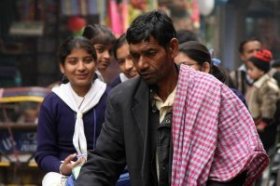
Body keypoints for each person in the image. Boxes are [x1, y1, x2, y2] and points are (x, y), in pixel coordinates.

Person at [76, 11, 268, 186]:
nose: (141, 64)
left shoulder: (211, 93)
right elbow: (104, 162)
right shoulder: (123, 98)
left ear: (172, 48)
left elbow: (237, 161)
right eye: (135, 56)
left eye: (150, 53)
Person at [35, 36, 109, 185]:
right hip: (63, 174)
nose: (81, 67)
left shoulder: (110, 97)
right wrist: (62, 167)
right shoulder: (53, 102)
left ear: (95, 64)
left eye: (87, 60)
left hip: (104, 170)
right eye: (73, 61)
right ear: (62, 67)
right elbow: (44, 154)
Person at [174, 41, 247, 106]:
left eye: (185, 66)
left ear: (205, 68)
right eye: (176, 67)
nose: (179, 71)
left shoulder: (231, 98)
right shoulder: (174, 98)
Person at [245, 49, 279, 151]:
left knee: (263, 149)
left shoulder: (268, 85)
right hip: (255, 124)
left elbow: (269, 105)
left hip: (264, 126)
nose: (248, 72)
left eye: (251, 69)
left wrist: (264, 121)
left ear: (261, 71)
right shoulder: (256, 84)